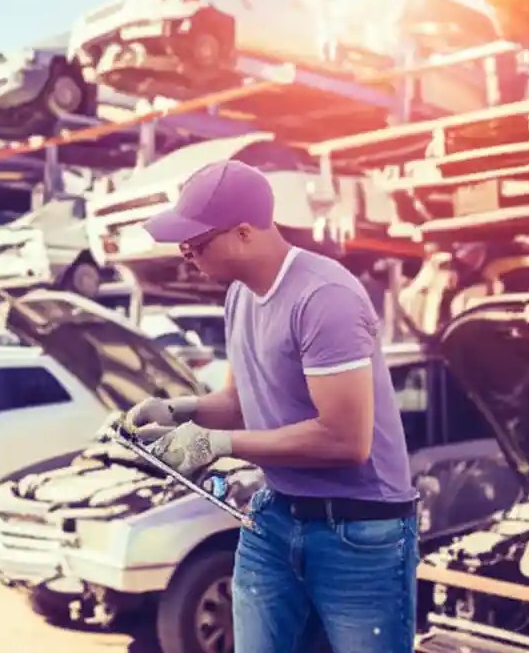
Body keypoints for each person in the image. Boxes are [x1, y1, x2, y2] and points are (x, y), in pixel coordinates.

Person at [122, 159, 419, 652]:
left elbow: (346, 440)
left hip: (360, 530)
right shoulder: (240, 295)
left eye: (195, 244)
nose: (186, 256)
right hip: (278, 516)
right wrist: (178, 410)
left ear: (243, 234)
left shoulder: (325, 298)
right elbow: (239, 403)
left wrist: (217, 444)